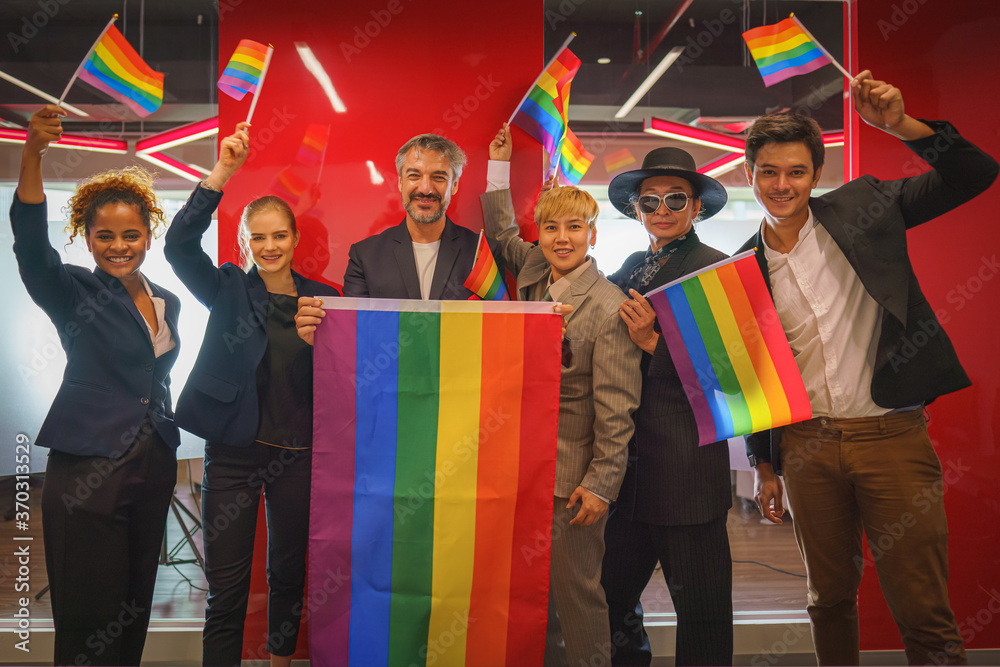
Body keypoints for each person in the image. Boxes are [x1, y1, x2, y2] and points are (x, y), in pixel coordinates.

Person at [740, 71, 999, 665]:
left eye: (797, 172)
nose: (783, 185)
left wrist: (902, 126)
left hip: (891, 439)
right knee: (827, 600)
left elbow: (976, 173)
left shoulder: (868, 208)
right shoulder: (742, 269)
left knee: (922, 608)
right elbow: (760, 374)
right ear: (748, 175)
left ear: (816, 174)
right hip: (806, 447)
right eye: (769, 173)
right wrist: (764, 463)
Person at [163, 123, 339, 667]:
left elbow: (351, 377)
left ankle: (281, 661)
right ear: (244, 243)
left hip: (298, 457)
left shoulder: (326, 300)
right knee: (227, 583)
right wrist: (222, 173)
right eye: (257, 238)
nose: (268, 246)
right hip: (235, 455)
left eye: (278, 236)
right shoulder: (228, 289)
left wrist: (324, 343)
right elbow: (177, 245)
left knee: (288, 572)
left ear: (294, 240)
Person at [12, 105, 180, 666]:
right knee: (90, 612)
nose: (117, 245)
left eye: (130, 234)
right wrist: (33, 154)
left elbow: (153, 378)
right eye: (103, 235)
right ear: (86, 238)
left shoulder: (166, 301)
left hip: (153, 464)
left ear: (147, 236)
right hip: (89, 468)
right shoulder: (73, 292)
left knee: (133, 604)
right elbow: (32, 248)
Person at [481, 123, 642, 667]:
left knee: (579, 599)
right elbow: (502, 231)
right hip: (520, 473)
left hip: (572, 484)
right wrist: (498, 165)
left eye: (575, 227)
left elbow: (617, 413)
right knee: (530, 600)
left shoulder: (609, 307)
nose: (562, 238)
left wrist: (601, 485)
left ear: (594, 235)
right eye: (551, 228)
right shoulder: (532, 274)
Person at [601, 147, 734, 665]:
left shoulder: (717, 269)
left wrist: (657, 345)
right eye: (649, 199)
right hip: (626, 477)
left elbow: (731, 375)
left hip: (687, 478)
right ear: (636, 209)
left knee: (701, 615)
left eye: (675, 198)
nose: (662, 207)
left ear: (696, 206)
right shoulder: (632, 266)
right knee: (609, 601)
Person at [340, 132, 499, 299]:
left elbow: (498, 322)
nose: (425, 189)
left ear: (454, 185)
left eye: (438, 177)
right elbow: (352, 323)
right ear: (401, 182)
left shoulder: (483, 255)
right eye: (414, 176)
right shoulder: (364, 256)